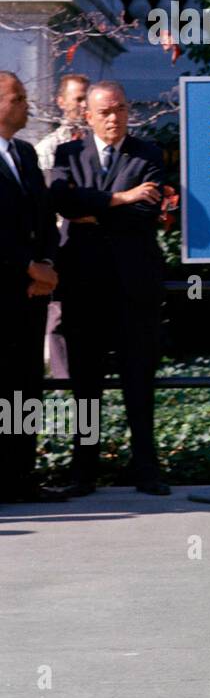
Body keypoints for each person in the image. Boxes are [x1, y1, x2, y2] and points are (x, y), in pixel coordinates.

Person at [49, 81, 170, 496]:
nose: (113, 118)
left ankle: (146, 469)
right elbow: (64, 203)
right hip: (83, 287)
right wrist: (121, 198)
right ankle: (83, 472)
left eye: (119, 109)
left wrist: (95, 209)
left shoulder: (148, 154)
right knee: (85, 384)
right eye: (104, 111)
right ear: (87, 116)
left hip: (134, 287)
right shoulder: (68, 154)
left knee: (139, 379)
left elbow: (146, 212)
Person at [0, 72, 65, 504]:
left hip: (31, 296)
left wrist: (46, 266)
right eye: (18, 98)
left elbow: (43, 218)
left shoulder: (24, 153)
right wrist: (26, 267)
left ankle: (21, 476)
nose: (27, 105)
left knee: (25, 388)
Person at [36, 72, 89, 380]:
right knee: (58, 318)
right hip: (62, 245)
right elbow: (48, 205)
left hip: (94, 244)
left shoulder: (100, 140)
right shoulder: (48, 149)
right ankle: (63, 383)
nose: (83, 105)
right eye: (77, 98)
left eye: (87, 97)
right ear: (61, 102)